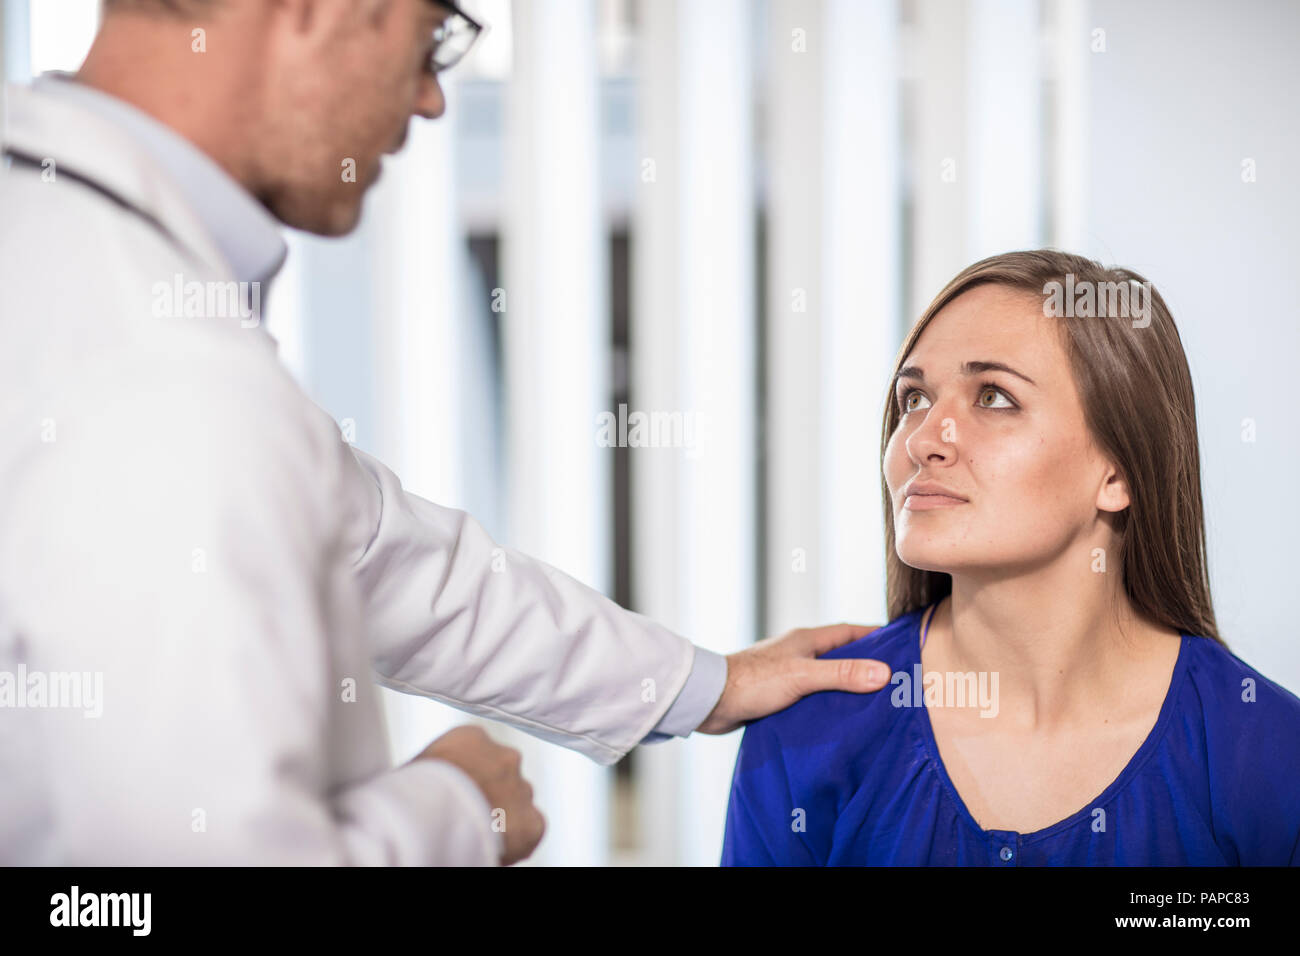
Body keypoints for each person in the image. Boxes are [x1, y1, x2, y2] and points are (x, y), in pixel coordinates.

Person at [0, 0, 891, 865]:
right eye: (432, 35)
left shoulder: (73, 262)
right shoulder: (156, 363)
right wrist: (456, 811)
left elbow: (385, 555)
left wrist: (708, 683)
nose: (431, 97)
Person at [721, 250, 1300, 866]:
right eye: (914, 398)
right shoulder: (807, 734)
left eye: (993, 397)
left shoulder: (1267, 754)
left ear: (1119, 473)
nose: (921, 440)